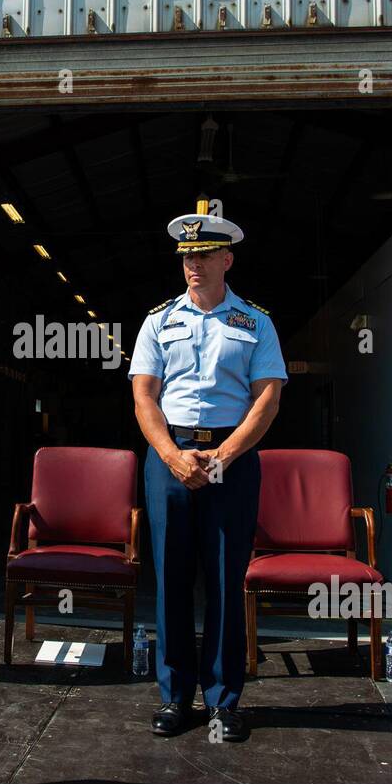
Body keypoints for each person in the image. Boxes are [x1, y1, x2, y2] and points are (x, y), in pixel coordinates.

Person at [128, 201, 286, 742]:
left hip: (231, 459)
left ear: (228, 259)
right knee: (170, 576)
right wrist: (172, 455)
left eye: (205, 254)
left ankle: (223, 701)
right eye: (187, 256)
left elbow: (266, 400)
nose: (193, 265)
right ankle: (174, 697)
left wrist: (224, 456)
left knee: (224, 578)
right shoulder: (158, 320)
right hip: (168, 454)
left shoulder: (256, 322)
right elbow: (144, 397)